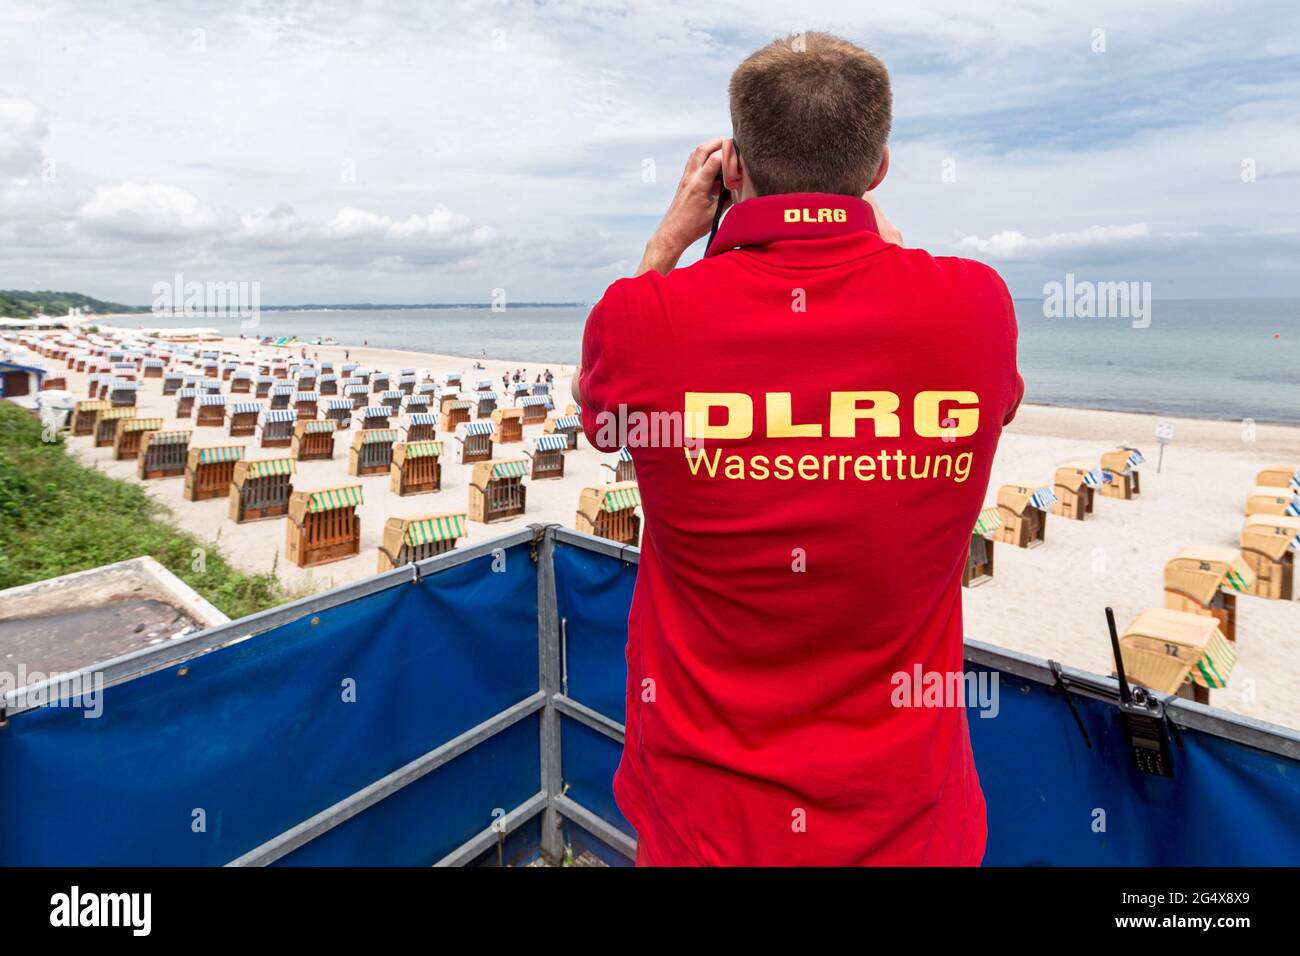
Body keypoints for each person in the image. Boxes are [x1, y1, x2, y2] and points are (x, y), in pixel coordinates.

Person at [574, 32, 1022, 866]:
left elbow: (598, 408)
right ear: (880, 167)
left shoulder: (643, 320)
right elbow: (982, 396)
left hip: (705, 821)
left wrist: (668, 244)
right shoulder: (977, 310)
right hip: (909, 822)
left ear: (731, 168)